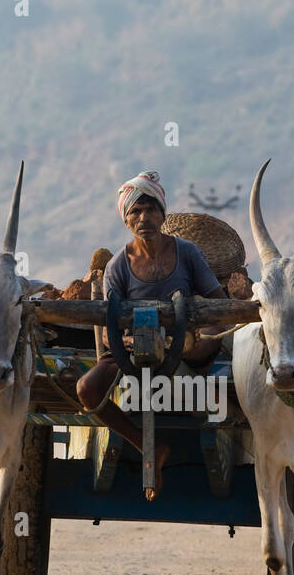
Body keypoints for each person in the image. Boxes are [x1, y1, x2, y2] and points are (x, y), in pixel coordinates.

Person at [75, 169, 229, 500]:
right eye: (135, 211)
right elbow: (108, 335)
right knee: (86, 389)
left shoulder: (187, 253)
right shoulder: (117, 266)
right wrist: (130, 343)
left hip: (184, 351)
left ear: (162, 213)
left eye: (150, 209)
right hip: (132, 356)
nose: (143, 217)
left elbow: (221, 306)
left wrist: (207, 339)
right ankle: (148, 446)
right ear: (126, 220)